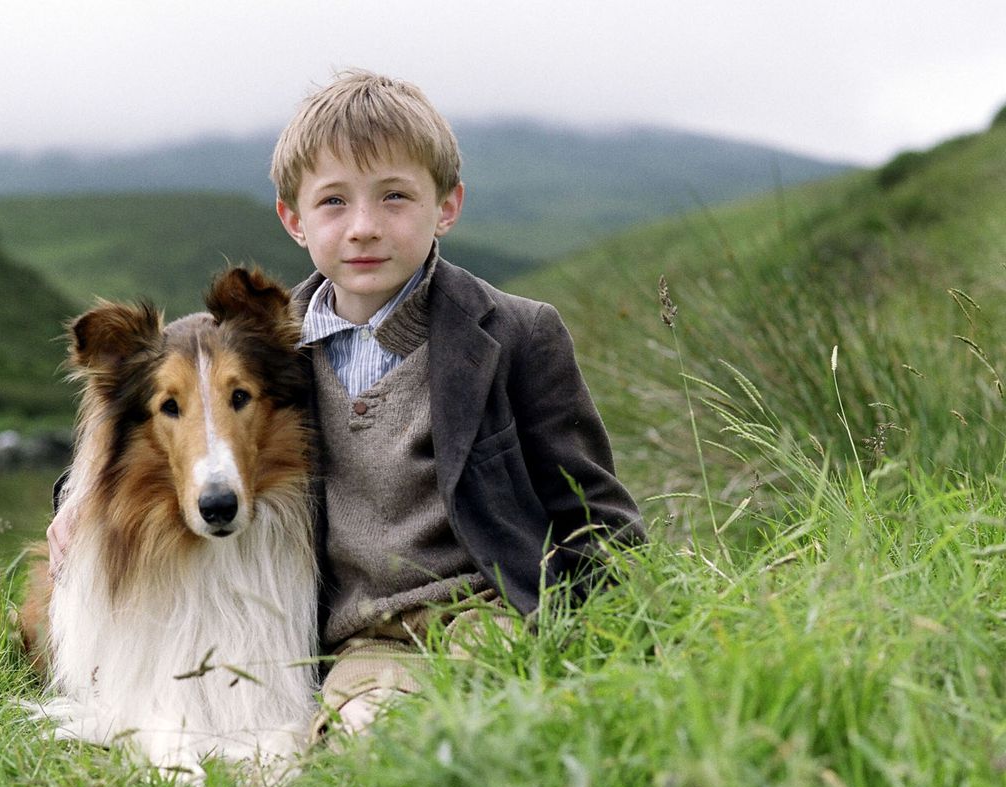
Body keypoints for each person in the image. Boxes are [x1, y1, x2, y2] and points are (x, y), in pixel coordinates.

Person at [48, 69, 644, 736]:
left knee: (490, 717)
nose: (363, 228)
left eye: (395, 197)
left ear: (446, 206)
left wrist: (623, 626)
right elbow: (165, 416)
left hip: (491, 608)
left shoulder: (519, 334)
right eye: (334, 202)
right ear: (293, 220)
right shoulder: (272, 351)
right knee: (365, 733)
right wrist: (75, 504)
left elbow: (591, 505)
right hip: (364, 637)